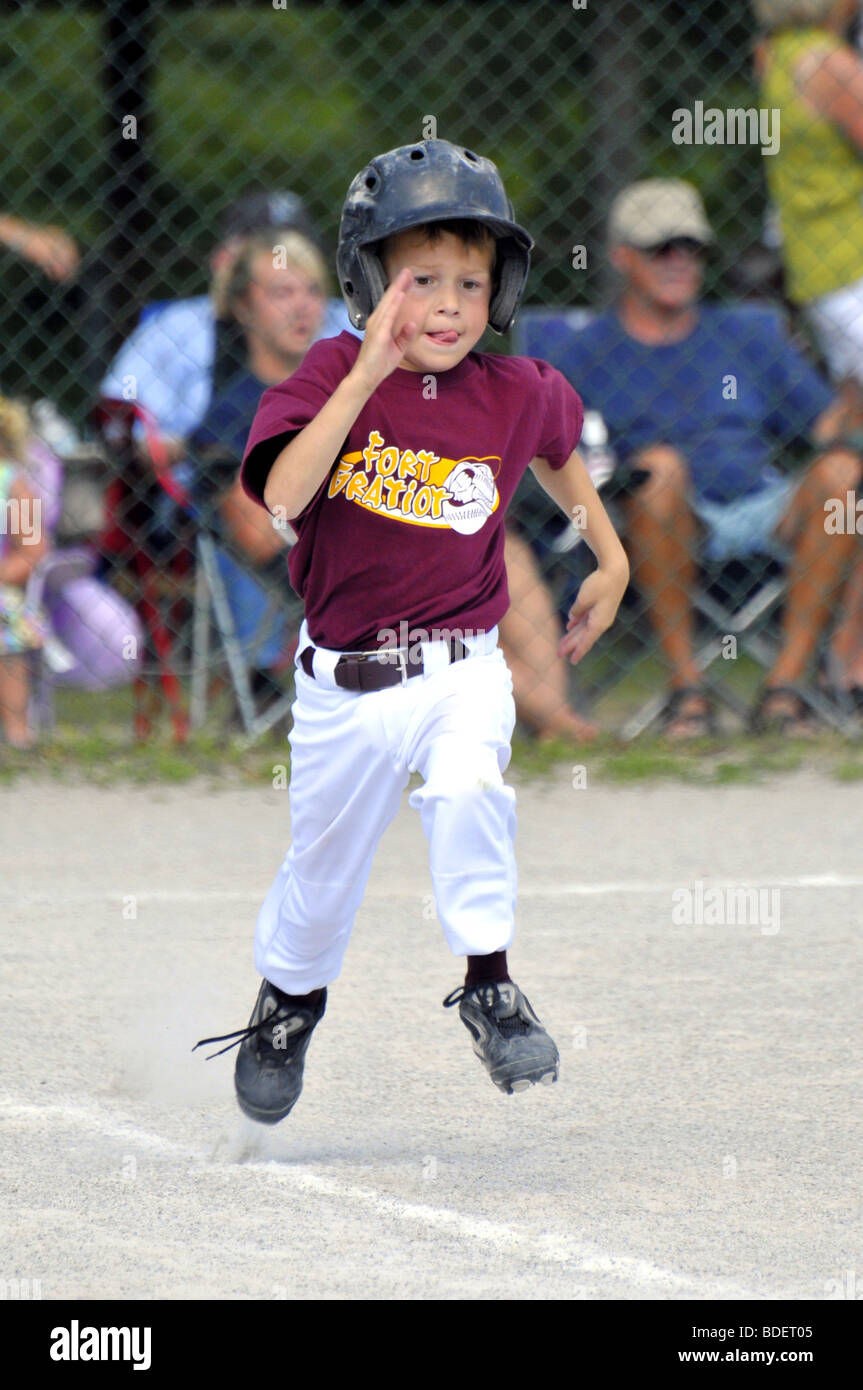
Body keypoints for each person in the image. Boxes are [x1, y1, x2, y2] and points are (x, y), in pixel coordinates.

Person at [194, 139, 629, 1119]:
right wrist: (360, 379)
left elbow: (557, 451)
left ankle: (488, 980)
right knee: (319, 878)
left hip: (458, 668)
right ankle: (288, 1001)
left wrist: (608, 553)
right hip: (341, 684)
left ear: (499, 291)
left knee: (472, 784)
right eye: (419, 279)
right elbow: (282, 499)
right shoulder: (326, 375)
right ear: (367, 281)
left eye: (468, 283)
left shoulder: (513, 390)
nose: (443, 305)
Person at [544, 179, 862, 737]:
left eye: (691, 248)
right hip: (653, 522)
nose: (679, 262)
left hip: (766, 507)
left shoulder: (748, 333)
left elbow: (828, 426)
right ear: (623, 256)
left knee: (843, 475)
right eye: (661, 248)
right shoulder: (585, 353)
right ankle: (686, 689)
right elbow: (554, 456)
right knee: (660, 469)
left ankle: (785, 687)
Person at [753, 0, 863, 702]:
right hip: (852, 271)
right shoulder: (829, 63)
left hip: (822, 271)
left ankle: (846, 655)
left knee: (849, 433)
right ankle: (849, 655)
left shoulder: (775, 58)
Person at [189, 228, 330, 707]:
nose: (302, 306)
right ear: (244, 308)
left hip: (385, 546)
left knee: (504, 549)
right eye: (282, 292)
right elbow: (256, 534)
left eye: (312, 291)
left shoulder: (345, 393)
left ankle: (555, 715)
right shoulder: (230, 415)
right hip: (320, 566)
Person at [0, 397, 49, 748]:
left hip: (2, 587)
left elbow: (32, 550)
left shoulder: (12, 485)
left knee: (6, 629)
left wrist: (6, 572)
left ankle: (17, 728)